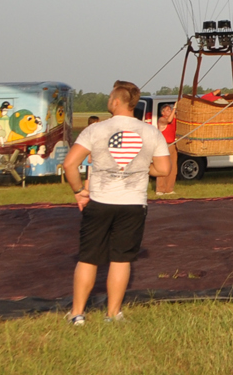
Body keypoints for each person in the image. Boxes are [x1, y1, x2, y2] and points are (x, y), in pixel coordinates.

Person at [63, 81, 171, 325]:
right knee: (121, 259)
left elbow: (69, 164)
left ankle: (77, 314)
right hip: (133, 203)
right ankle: (112, 313)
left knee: (89, 258)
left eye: (110, 97)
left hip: (100, 201)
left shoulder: (96, 130)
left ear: (117, 101)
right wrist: (143, 168)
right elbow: (164, 170)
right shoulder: (150, 132)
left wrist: (79, 191)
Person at [152, 103, 179, 195]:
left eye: (170, 109)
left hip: (172, 144)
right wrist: (174, 108)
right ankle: (160, 189)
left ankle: (169, 189)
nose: (170, 111)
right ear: (163, 112)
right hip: (164, 145)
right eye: (167, 110)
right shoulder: (162, 119)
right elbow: (169, 120)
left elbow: (175, 118)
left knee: (173, 168)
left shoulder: (173, 117)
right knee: (163, 167)